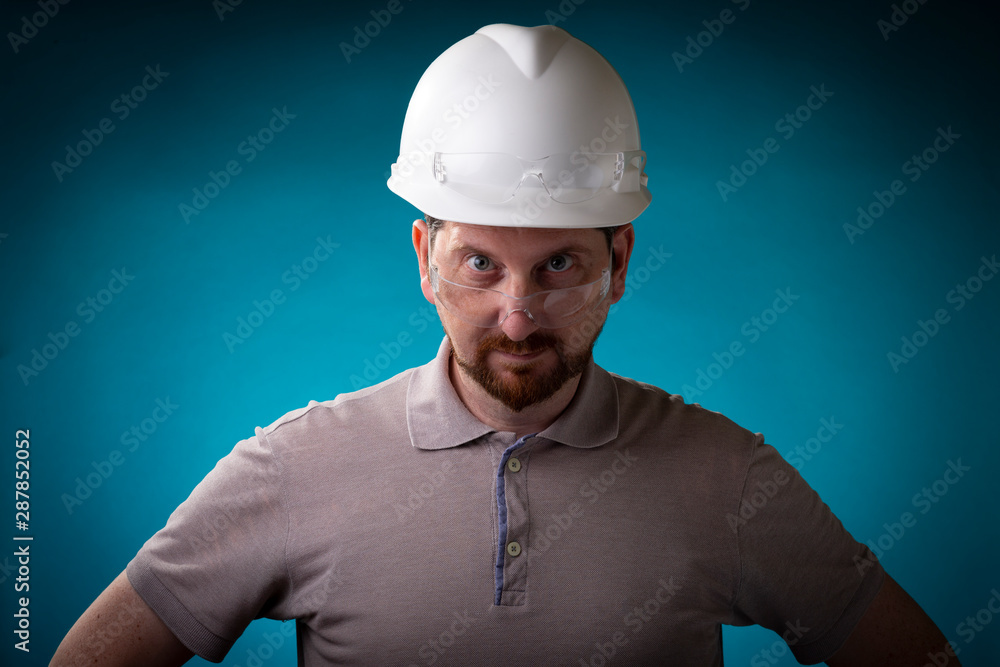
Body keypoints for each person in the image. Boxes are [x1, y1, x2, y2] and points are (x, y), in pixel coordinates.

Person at [52, 23, 959, 666]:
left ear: (620, 260)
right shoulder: (292, 467)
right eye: (480, 262)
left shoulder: (730, 476)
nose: (517, 315)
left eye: (559, 264)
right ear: (425, 259)